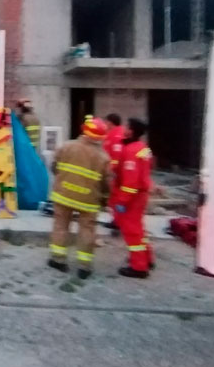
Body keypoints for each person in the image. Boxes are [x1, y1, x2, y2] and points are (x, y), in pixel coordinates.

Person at [48, 116, 113, 279]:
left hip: (64, 195)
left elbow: (54, 167)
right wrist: (105, 198)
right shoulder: (103, 157)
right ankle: (84, 266)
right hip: (89, 200)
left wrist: (63, 180)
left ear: (84, 130)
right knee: (87, 230)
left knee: (61, 226)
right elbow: (106, 183)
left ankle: (58, 259)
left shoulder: (66, 146)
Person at [113, 118, 156, 279]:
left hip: (133, 197)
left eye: (127, 127)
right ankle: (147, 258)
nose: (124, 129)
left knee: (132, 232)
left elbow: (130, 181)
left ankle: (138, 267)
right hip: (140, 194)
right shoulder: (143, 148)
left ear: (132, 131)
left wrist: (122, 201)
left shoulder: (131, 151)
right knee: (139, 229)